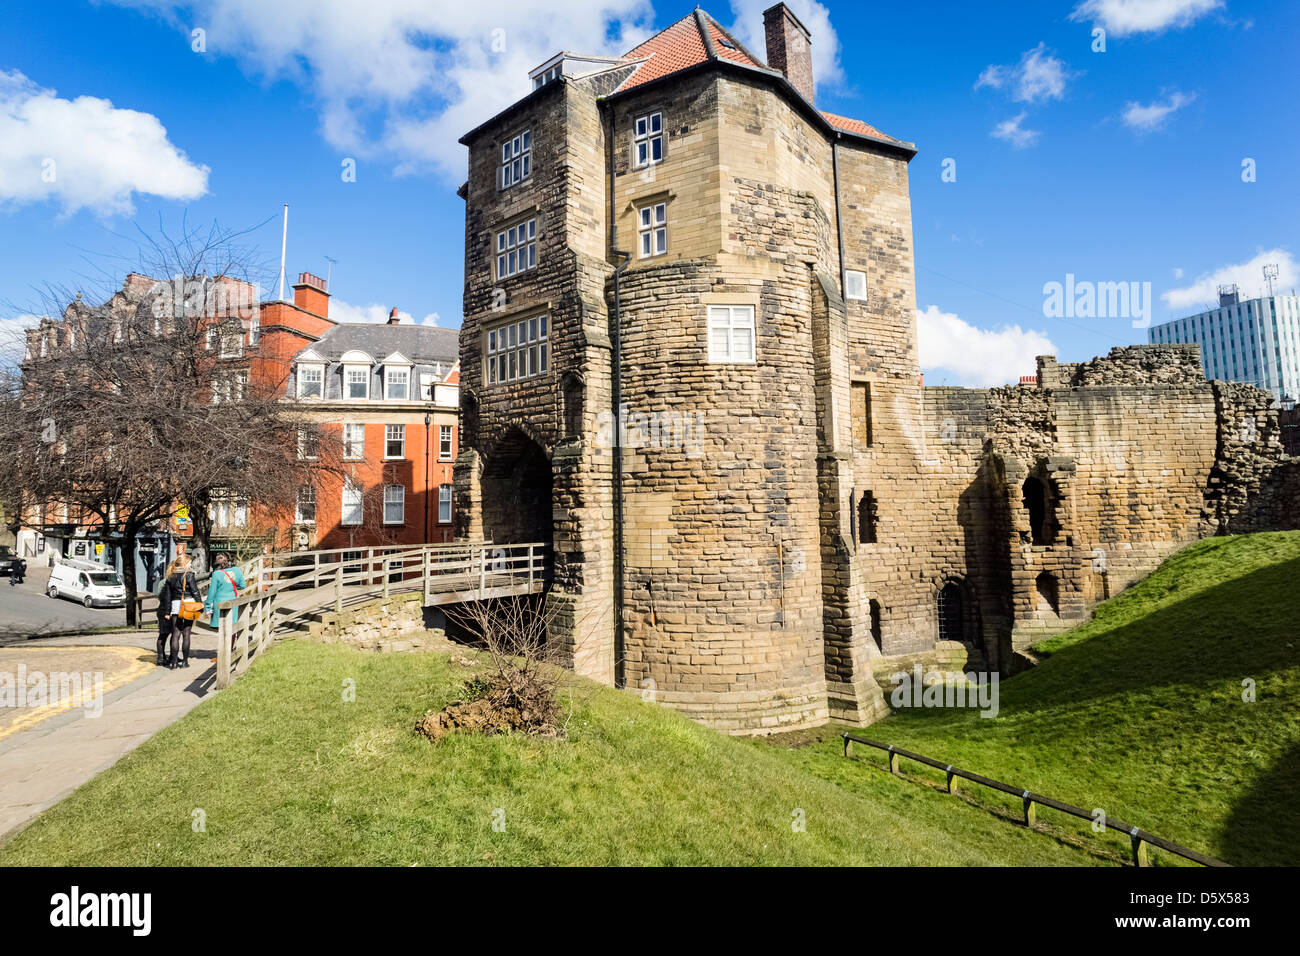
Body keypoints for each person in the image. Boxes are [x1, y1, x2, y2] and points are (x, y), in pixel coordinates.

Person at [162, 555, 201, 669]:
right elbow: (195, 591)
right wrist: (200, 605)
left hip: (175, 606)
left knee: (175, 634)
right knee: (186, 634)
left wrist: (167, 612)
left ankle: (174, 662)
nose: (190, 565)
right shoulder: (189, 575)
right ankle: (184, 662)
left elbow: (167, 596)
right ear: (184, 564)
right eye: (189, 563)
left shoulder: (170, 576)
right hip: (188, 605)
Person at [202, 552, 246, 630]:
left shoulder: (216, 574)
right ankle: (232, 638)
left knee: (221, 627)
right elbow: (243, 585)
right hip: (233, 600)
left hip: (219, 603)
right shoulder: (237, 570)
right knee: (232, 626)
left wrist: (208, 606)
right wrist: (231, 587)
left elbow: (212, 592)